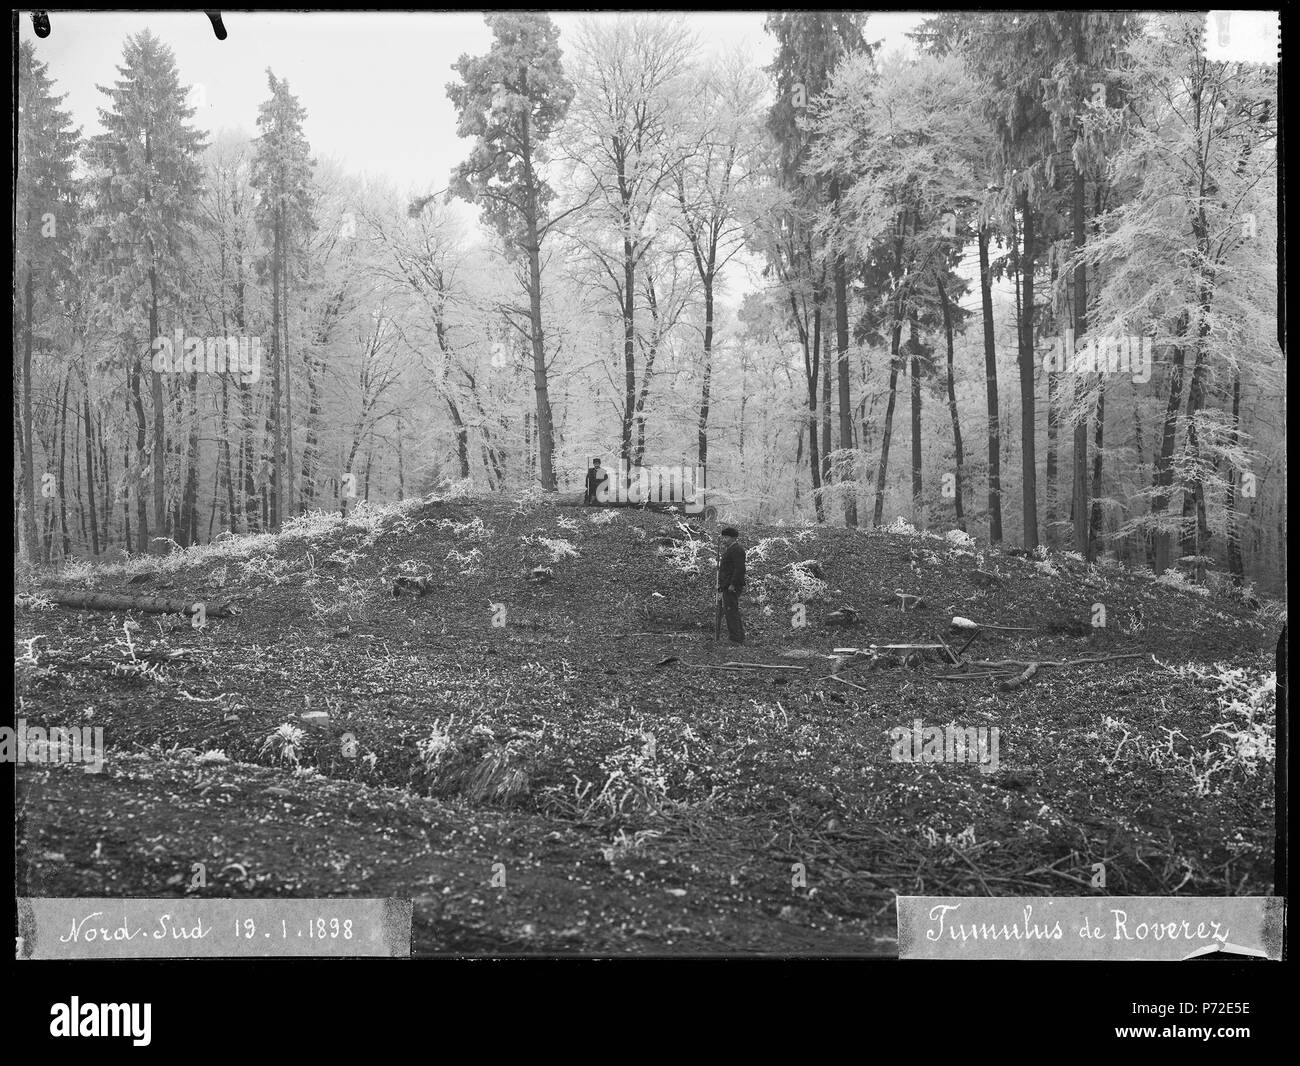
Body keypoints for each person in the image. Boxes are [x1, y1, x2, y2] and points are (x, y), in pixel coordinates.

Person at [717, 526, 746, 644]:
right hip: (726, 585)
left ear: (733, 538)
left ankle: (736, 638)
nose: (724, 539)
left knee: (731, 611)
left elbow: (739, 569)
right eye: (723, 537)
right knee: (731, 610)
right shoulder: (729, 549)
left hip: (731, 586)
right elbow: (726, 569)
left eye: (726, 537)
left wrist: (733, 584)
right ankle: (738, 636)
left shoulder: (736, 550)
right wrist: (721, 584)